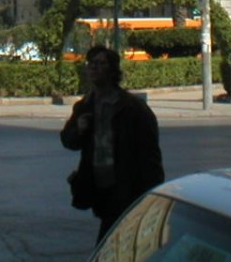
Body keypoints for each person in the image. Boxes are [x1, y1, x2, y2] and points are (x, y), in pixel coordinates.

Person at [61, 46, 165, 242]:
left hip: (125, 187)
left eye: (100, 64)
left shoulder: (133, 108)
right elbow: (68, 141)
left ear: (112, 70)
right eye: (91, 64)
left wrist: (151, 194)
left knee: (111, 240)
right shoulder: (85, 106)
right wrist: (79, 129)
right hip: (98, 188)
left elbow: (150, 155)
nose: (94, 68)